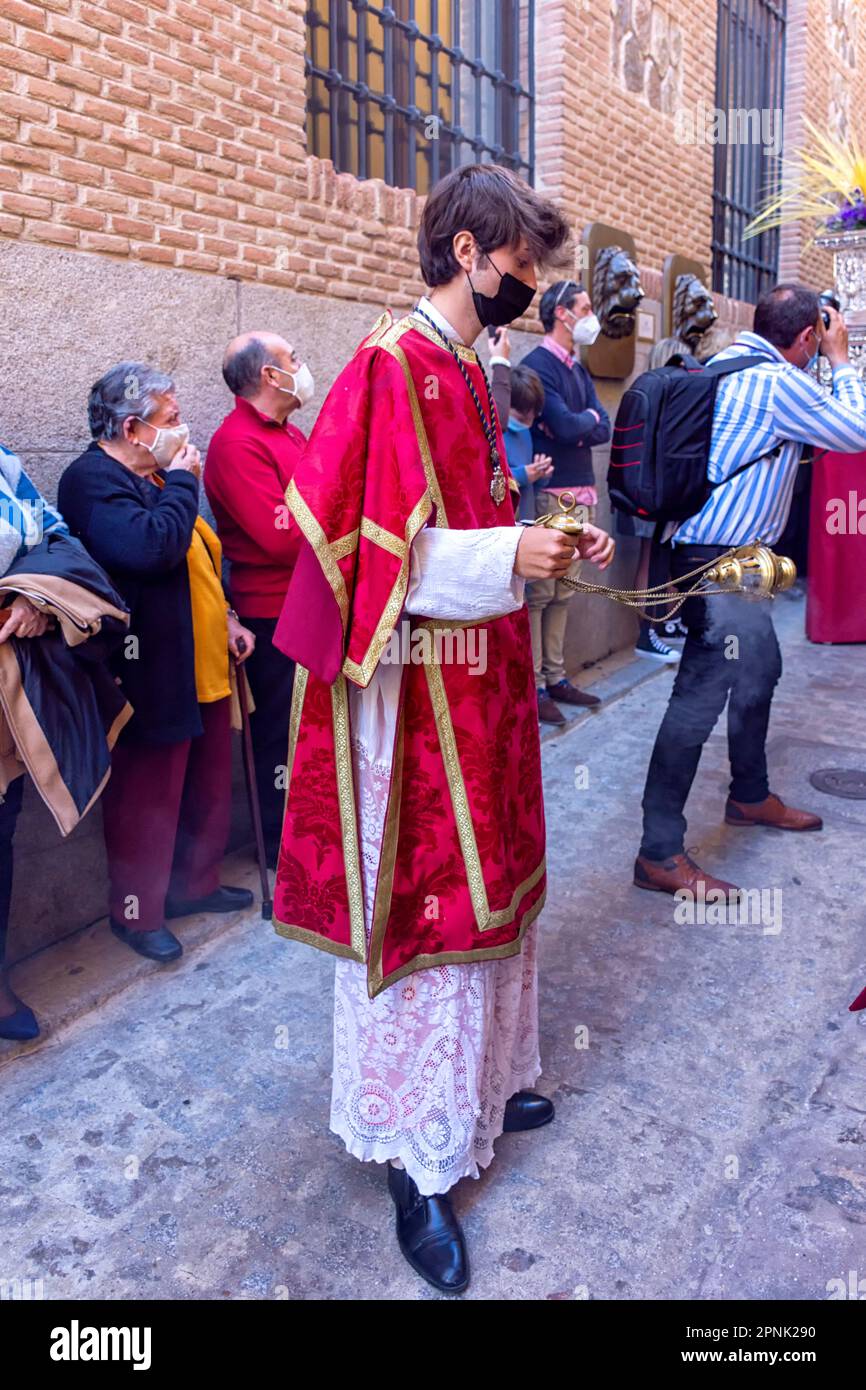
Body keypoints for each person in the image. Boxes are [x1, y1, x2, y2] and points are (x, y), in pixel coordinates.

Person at [270, 164, 615, 1293]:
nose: (527, 286)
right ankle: (412, 1159)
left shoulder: (471, 365)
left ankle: (480, 1085)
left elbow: (477, 517)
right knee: (423, 911)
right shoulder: (387, 366)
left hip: (482, 681)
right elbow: (370, 559)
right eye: (518, 268)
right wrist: (499, 558)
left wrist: (550, 534)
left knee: (497, 889)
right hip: (408, 696)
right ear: (466, 252)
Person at [635, 284, 866, 900]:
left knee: (758, 673)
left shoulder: (722, 364)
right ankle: (658, 853)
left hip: (725, 560)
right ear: (808, 336)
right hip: (723, 566)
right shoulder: (776, 381)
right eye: (821, 335)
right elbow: (857, 430)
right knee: (699, 698)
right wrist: (842, 360)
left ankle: (750, 794)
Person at [58, 364, 255, 964]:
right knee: (148, 794)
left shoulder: (158, 477)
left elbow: (196, 557)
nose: (181, 428)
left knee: (205, 782)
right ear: (131, 427)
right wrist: (180, 482)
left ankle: (192, 886)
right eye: (170, 420)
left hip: (201, 656)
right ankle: (137, 912)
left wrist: (226, 618)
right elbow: (152, 549)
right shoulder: (92, 480)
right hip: (146, 667)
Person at [0, 442, 131, 1040]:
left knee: (2, 828)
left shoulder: (3, 461)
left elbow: (59, 539)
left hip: (12, 687)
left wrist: (35, 597)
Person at [205, 332, 309, 867]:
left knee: (311, 729)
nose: (303, 366)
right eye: (294, 359)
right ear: (269, 376)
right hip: (272, 611)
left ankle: (312, 832)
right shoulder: (236, 444)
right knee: (280, 734)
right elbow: (281, 536)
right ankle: (279, 846)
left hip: (311, 603)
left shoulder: (288, 434)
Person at [520, 280, 612, 723]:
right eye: (586, 307)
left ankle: (555, 678)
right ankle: (533, 685)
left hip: (582, 490)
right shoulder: (538, 366)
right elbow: (567, 425)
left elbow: (598, 425)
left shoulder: (576, 367)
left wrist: (584, 421)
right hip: (554, 496)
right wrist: (581, 423)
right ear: (562, 313)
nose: (592, 315)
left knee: (564, 592)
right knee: (539, 594)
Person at [612, 337, 694, 666]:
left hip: (642, 489)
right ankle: (646, 636)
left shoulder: (645, 391)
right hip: (650, 491)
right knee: (648, 560)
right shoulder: (661, 396)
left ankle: (657, 629)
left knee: (655, 560)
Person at [503, 363, 553, 523]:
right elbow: (487, 481)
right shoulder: (492, 430)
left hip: (525, 521)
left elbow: (529, 489)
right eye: (521, 418)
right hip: (503, 524)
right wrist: (523, 475)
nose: (527, 422)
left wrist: (540, 476)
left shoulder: (525, 432)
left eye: (532, 417)